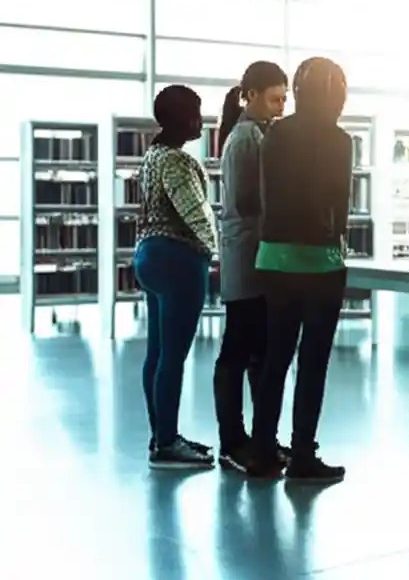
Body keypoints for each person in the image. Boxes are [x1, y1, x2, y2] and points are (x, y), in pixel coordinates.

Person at [250, 57, 352, 483]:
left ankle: (262, 451)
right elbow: (339, 203)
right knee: (312, 362)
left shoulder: (275, 134)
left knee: (275, 358)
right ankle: (304, 455)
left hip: (273, 258)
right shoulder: (340, 140)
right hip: (320, 263)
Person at [134, 85, 219, 469]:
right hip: (178, 260)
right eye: (196, 114)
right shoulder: (177, 162)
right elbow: (194, 211)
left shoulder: (152, 156)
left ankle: (161, 437)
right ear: (182, 118)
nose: (201, 121)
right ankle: (167, 444)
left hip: (148, 257)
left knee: (157, 353)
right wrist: (212, 249)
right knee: (174, 356)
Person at [212, 61, 288, 473]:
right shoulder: (245, 139)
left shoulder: (261, 134)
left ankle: (262, 440)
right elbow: (246, 201)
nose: (279, 107)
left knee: (258, 350)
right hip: (246, 257)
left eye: (283, 99)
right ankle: (232, 441)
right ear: (250, 95)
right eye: (273, 99)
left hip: (259, 257)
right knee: (238, 350)